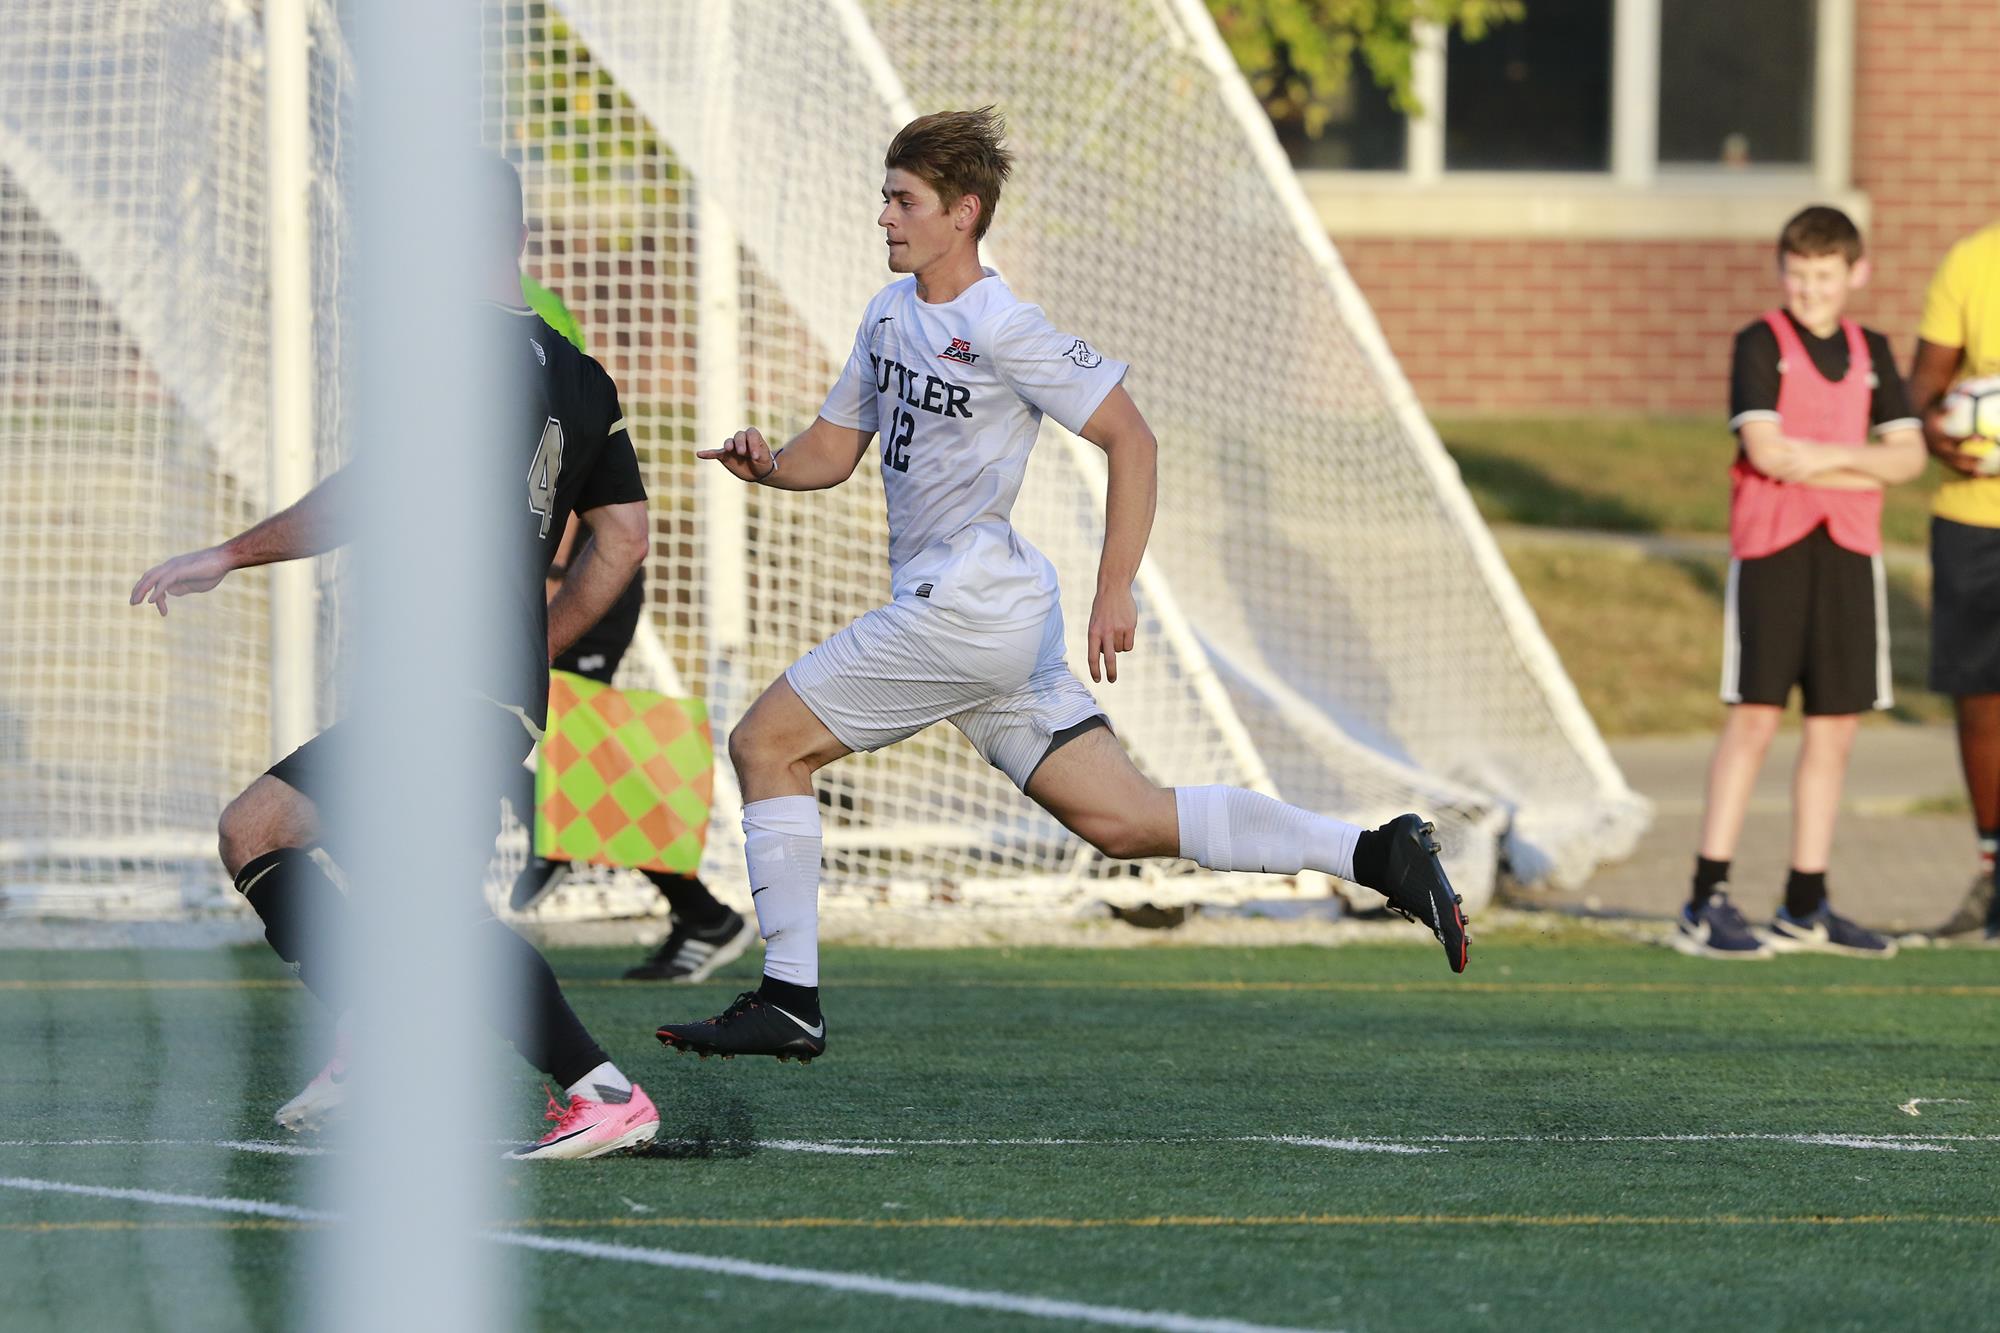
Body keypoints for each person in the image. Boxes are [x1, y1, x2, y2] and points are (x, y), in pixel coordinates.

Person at [654, 108, 1468, 1065]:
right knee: (1124, 821)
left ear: (963, 213)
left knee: (763, 744)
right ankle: (1377, 853)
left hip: (967, 609)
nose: (883, 215)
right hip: (990, 625)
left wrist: (1114, 585)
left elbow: (1133, 437)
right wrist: (768, 462)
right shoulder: (885, 316)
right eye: (884, 196)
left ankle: (790, 996)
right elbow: (832, 451)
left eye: (902, 199)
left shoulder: (1007, 326)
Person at [128, 154, 662, 1159]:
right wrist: (534, 647)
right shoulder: (580, 375)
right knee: (262, 828)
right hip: (476, 681)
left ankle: (601, 1089)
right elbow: (624, 537)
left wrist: (228, 554)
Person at [1677, 206, 1925, 959]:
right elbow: (1765, 448)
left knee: (1835, 728)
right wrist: (1853, 457)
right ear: (1782, 271)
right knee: (1754, 718)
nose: (1811, 291)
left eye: (1825, 277)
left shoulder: (1872, 349)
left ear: (1857, 274)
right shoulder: (1761, 343)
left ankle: (1805, 902)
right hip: (1773, 548)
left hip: (1849, 550)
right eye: (1798, 274)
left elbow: (1908, 458)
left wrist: (1817, 454)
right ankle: (1705, 896)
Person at [504, 279, 757, 981]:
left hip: (583, 576)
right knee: (568, 747)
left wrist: (542, 581)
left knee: (573, 744)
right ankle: (698, 911)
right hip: (553, 569)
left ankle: (565, 844)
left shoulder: (534, 328)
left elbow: (555, 471)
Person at [511, 507, 756, 981]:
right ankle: (704, 916)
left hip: (583, 583)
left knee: (584, 758)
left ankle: (545, 830)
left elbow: (560, 485)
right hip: (569, 576)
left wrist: (552, 585)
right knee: (588, 768)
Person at [1908, 220, 2000, 940]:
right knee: (1980, 703)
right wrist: (1937, 429)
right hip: (1973, 518)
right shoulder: (1971, 259)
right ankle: (1993, 873)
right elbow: (1925, 385)